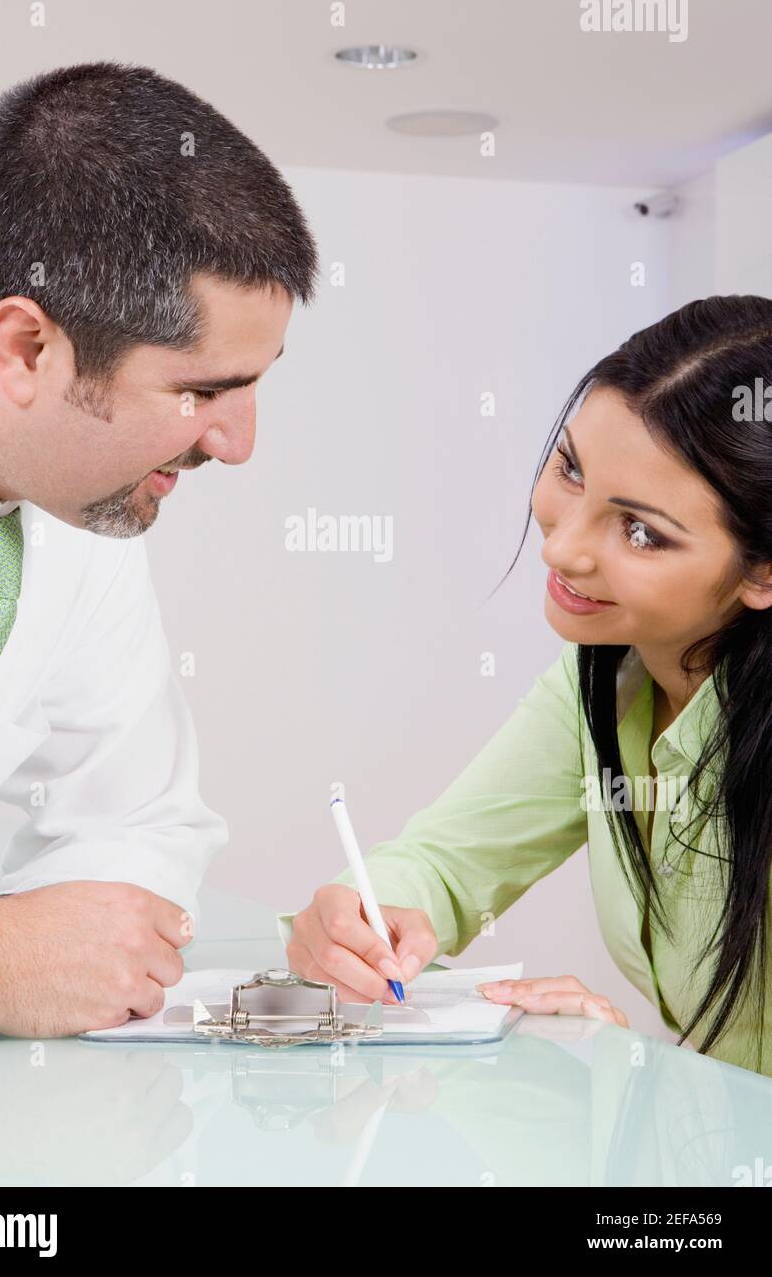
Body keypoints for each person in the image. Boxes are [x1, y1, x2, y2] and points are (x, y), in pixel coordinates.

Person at [0, 60, 317, 1042]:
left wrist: (68, 944)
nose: (237, 441)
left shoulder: (65, 507)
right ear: (26, 350)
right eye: (204, 391)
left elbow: (137, 818)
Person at [285, 295, 772, 1076]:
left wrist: (631, 1072)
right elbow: (446, 865)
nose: (563, 549)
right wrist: (362, 919)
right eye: (572, 469)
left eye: (641, 531)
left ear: (761, 570)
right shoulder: (613, 679)